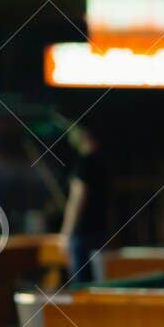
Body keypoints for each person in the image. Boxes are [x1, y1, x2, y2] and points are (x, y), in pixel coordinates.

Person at [59, 120, 112, 284]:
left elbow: (77, 200)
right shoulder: (103, 162)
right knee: (98, 283)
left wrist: (66, 234)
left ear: (83, 133)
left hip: (82, 234)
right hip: (101, 231)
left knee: (80, 286)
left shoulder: (84, 163)